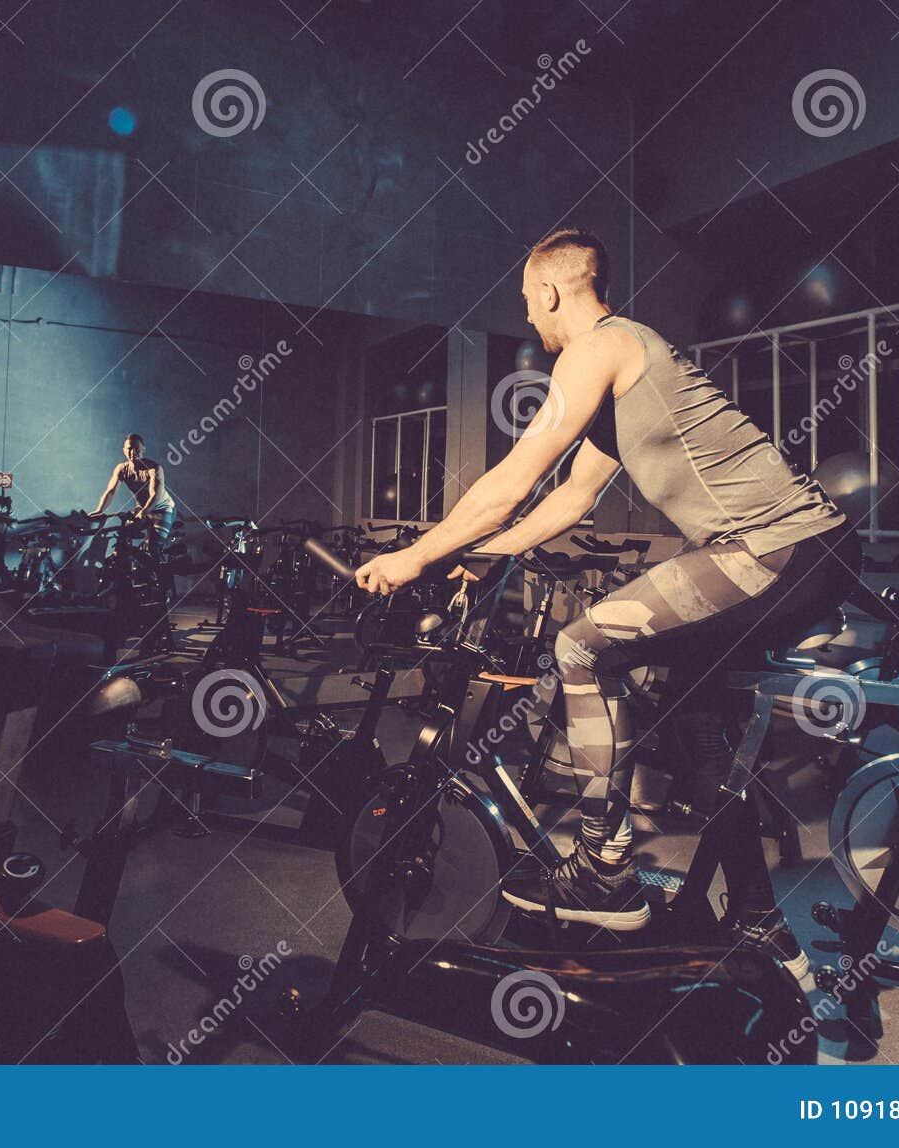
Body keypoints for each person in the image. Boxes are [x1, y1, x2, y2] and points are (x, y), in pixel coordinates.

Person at [354, 227, 860, 970]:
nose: (529, 318)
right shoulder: (627, 372)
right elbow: (567, 500)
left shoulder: (601, 347)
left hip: (775, 548)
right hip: (800, 553)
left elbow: (515, 477)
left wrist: (413, 555)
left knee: (579, 645)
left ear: (551, 291)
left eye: (528, 302)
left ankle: (604, 868)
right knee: (696, 712)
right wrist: (476, 555)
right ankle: (758, 918)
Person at [91, 434, 177, 554]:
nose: (133, 452)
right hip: (142, 508)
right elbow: (110, 491)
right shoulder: (121, 469)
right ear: (124, 450)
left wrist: (144, 512)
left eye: (137, 449)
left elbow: (154, 495)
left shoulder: (154, 469)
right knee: (123, 536)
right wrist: (99, 510)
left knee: (153, 549)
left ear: (143, 450)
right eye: (129, 448)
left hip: (162, 509)